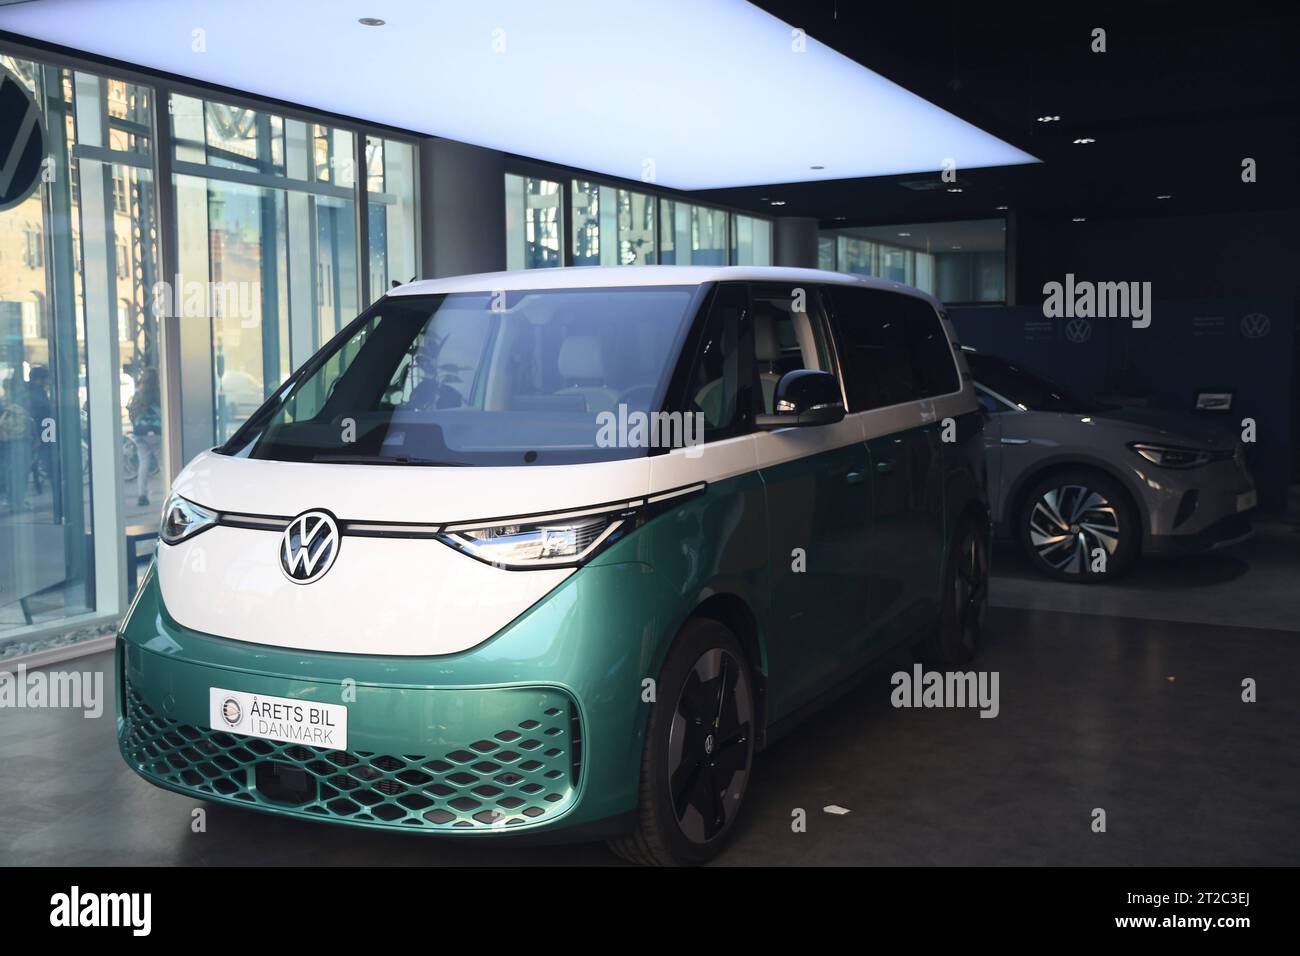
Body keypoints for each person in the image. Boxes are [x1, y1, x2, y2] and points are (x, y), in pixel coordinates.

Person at [128, 367, 162, 507]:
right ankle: (170, 492)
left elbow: (132, 413)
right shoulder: (157, 394)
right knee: (164, 463)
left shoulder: (138, 394)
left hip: (139, 432)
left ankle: (142, 495)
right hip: (156, 432)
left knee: (143, 463)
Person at [0, 373, 34, 513]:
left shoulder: (4, 401)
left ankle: (13, 500)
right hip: (19, 440)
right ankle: (17, 502)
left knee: (10, 471)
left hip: (6, 440)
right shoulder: (21, 400)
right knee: (19, 471)